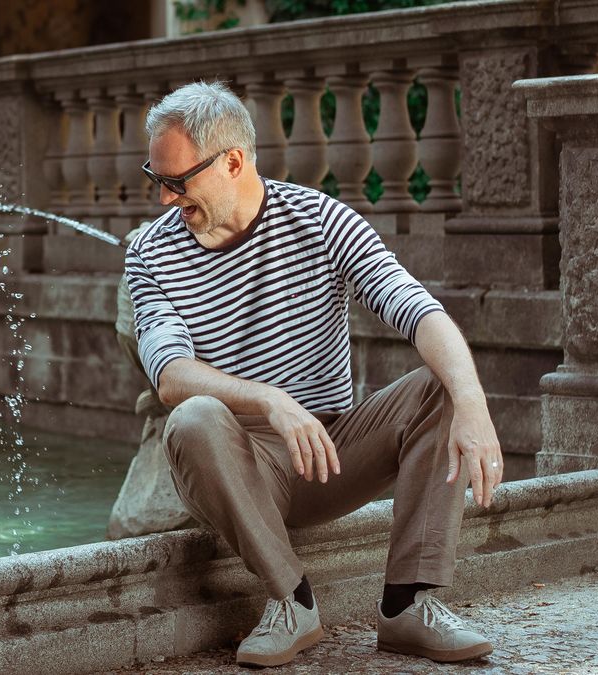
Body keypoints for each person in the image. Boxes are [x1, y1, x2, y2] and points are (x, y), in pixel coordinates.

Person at [125, 82, 503, 668]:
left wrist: (473, 401)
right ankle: (291, 603)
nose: (166, 200)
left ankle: (409, 607)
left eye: (178, 183)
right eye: (158, 180)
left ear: (233, 162)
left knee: (443, 383)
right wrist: (268, 400)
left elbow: (415, 307)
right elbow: (170, 375)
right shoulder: (149, 252)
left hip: (331, 452)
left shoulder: (321, 220)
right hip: (237, 461)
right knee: (194, 416)